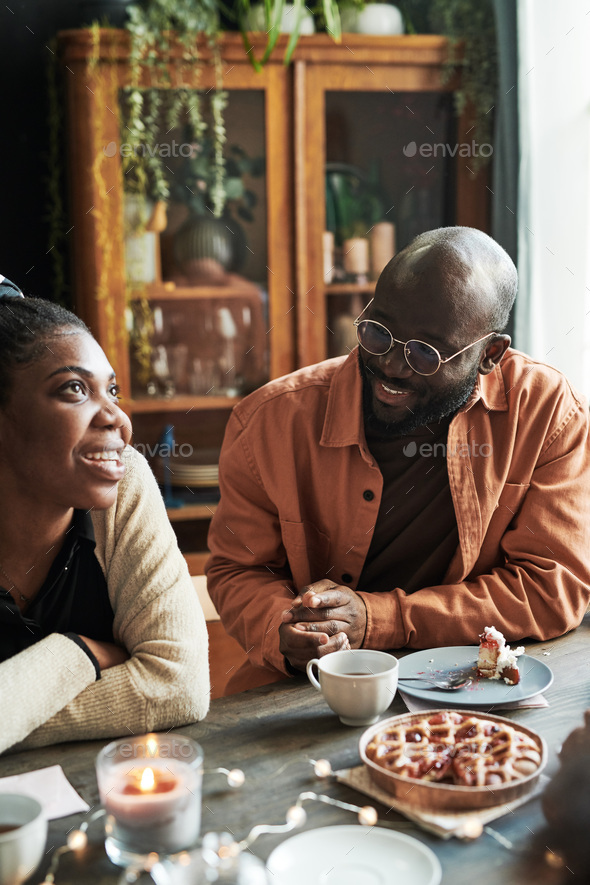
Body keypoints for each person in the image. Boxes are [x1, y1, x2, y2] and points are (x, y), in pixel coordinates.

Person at [206, 227, 590, 692]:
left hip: (473, 683)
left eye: (426, 353)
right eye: (378, 332)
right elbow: (239, 570)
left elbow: (553, 587)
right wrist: (282, 629)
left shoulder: (546, 413)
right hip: (310, 687)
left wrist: (381, 619)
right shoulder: (269, 422)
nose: (392, 364)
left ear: (490, 354)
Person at [0, 278, 209, 753]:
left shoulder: (126, 482)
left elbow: (180, 687)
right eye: (74, 389)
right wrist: (80, 654)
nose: (116, 417)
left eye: (111, 389)